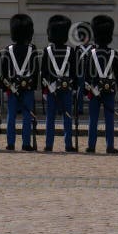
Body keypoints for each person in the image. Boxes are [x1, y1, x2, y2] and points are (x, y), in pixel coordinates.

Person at [84, 15, 118, 154]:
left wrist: (86, 90)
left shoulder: (91, 53)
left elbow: (86, 75)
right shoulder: (114, 54)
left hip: (94, 90)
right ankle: (109, 146)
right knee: (109, 120)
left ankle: (91, 146)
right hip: (109, 90)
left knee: (93, 119)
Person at [2, 14, 38, 151]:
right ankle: (26, 143)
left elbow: (4, 72)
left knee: (11, 116)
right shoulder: (32, 49)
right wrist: (34, 86)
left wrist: (7, 87)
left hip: (12, 87)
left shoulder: (8, 49)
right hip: (28, 87)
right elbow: (35, 71)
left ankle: (10, 143)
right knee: (27, 115)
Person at [41, 15, 76, 152]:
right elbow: (74, 72)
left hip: (51, 88)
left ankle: (49, 145)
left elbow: (43, 73)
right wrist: (73, 87)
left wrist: (45, 88)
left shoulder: (47, 51)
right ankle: (68, 144)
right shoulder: (70, 51)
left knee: (50, 118)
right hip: (66, 88)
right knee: (67, 117)